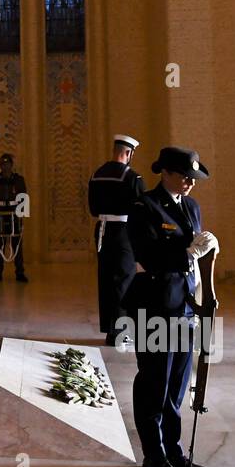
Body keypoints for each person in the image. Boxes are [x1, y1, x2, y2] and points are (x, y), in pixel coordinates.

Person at [125, 145, 219, 467]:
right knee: (154, 382)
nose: (190, 184)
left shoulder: (191, 206)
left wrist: (206, 248)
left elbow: (193, 251)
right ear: (164, 172)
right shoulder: (144, 207)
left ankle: (175, 453)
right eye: (184, 177)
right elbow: (149, 256)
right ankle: (154, 455)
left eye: (193, 178)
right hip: (153, 306)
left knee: (178, 384)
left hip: (183, 307)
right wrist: (186, 253)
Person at [89, 134, 146, 344]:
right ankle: (121, 331)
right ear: (129, 153)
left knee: (105, 279)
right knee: (124, 280)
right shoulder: (133, 177)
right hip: (124, 232)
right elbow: (142, 210)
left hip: (103, 230)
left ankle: (110, 330)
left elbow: (93, 208)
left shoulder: (97, 174)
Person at [0, 153, 28, 283]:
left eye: (7, 164)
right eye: (2, 165)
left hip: (14, 215)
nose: (5, 167)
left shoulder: (18, 180)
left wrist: (21, 216)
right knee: (0, 245)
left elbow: (23, 196)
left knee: (17, 245)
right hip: (0, 216)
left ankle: (20, 272)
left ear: (11, 165)